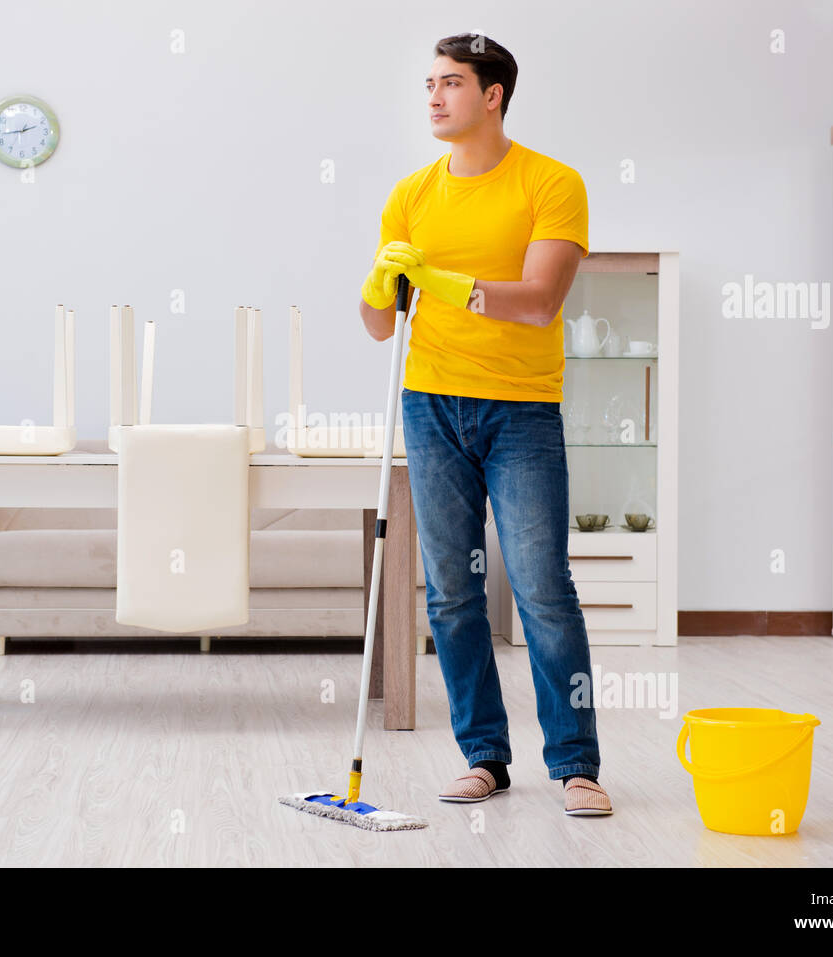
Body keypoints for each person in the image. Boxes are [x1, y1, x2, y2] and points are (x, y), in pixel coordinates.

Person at [357, 33, 611, 816]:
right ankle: (485, 757)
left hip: (522, 411)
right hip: (430, 405)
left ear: (493, 94)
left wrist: (446, 282)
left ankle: (575, 764)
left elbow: (538, 301)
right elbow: (376, 324)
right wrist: (381, 280)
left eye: (452, 83)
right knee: (454, 596)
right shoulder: (410, 193)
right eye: (429, 84)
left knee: (541, 588)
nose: (434, 97)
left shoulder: (551, 183)